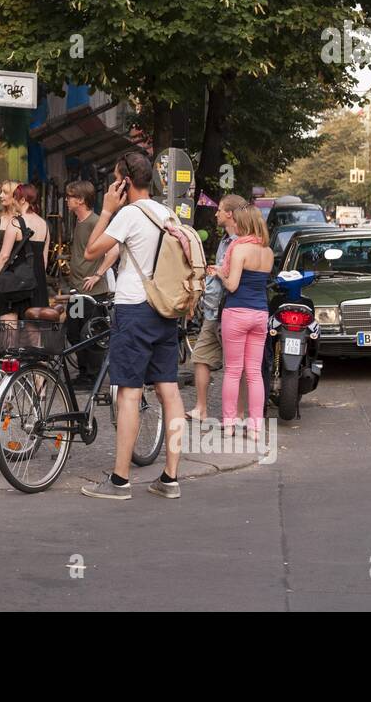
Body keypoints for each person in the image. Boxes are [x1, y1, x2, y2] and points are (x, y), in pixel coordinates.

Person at [80, 151, 185, 501]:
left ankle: (120, 481)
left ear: (123, 181)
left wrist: (108, 208)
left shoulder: (128, 213)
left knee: (129, 392)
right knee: (169, 391)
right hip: (165, 309)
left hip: (135, 310)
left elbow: (91, 251)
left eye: (114, 178)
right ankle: (170, 477)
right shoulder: (166, 213)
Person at [189, 194, 246, 421]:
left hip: (230, 311)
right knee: (201, 358)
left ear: (230, 214)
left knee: (235, 366)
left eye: (220, 210)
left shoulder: (240, 242)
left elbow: (232, 280)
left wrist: (218, 273)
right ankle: (201, 409)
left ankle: (236, 414)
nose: (216, 213)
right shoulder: (225, 241)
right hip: (213, 311)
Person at [219, 205, 273, 436]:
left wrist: (218, 273)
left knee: (232, 371)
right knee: (254, 373)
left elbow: (232, 285)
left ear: (244, 223)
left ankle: (230, 424)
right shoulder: (267, 251)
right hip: (260, 314)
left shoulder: (239, 249)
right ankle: (255, 427)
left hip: (237, 312)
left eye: (239, 222)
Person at [65, 181, 118, 389]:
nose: (67, 200)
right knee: (75, 331)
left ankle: (92, 376)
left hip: (93, 292)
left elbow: (113, 250)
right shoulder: (79, 222)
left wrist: (98, 274)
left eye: (70, 197)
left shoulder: (95, 222)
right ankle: (84, 372)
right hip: (78, 290)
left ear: (80, 200)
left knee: (91, 332)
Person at [0, 183, 49, 322]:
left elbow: (4, 256)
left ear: (23, 200)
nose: (13, 201)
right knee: (34, 333)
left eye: (15, 197)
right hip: (37, 283)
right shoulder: (44, 224)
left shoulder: (15, 223)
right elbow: (44, 260)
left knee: (9, 331)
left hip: (14, 283)